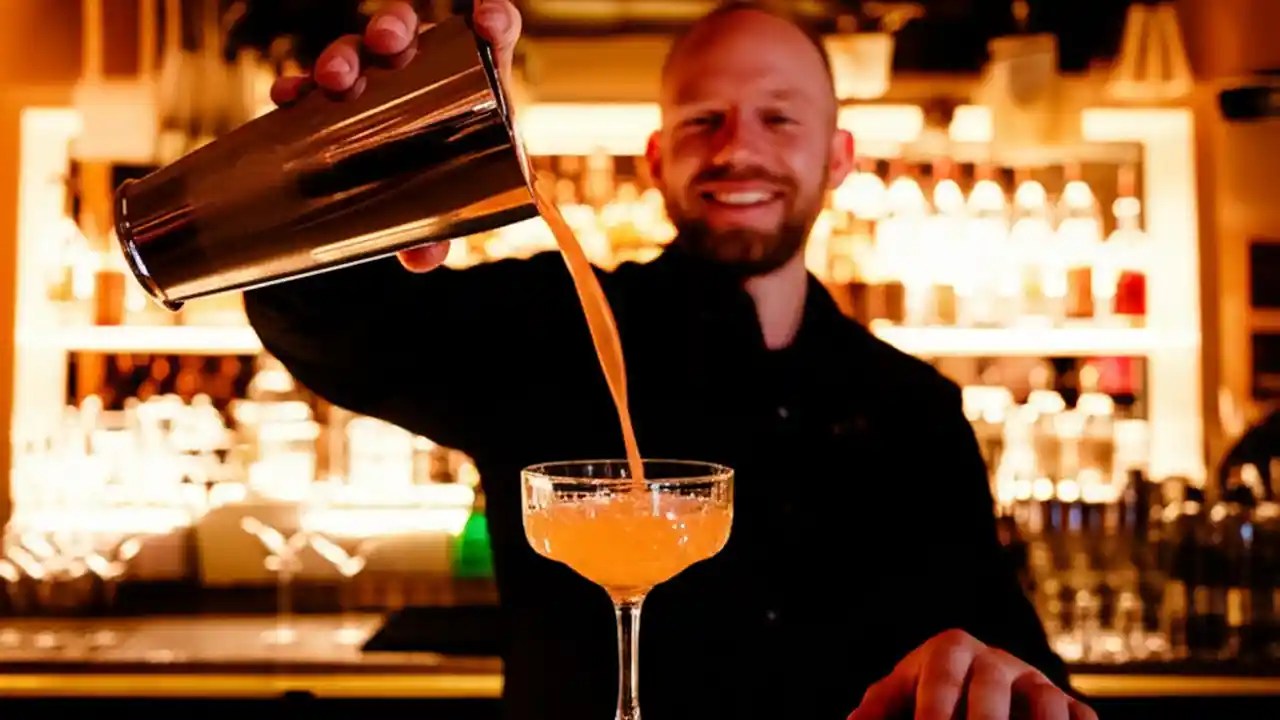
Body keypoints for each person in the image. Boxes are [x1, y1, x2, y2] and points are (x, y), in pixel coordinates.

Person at [246, 1, 1099, 718]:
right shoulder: (549, 327)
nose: (737, 148)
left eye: (779, 117)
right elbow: (315, 313)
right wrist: (339, 152)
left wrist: (1004, 683)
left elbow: (1020, 667)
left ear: (836, 159)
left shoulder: (916, 409)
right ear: (658, 159)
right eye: (703, 120)